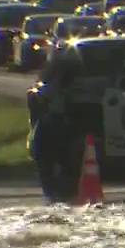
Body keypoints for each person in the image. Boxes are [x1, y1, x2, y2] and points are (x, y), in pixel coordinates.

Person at [31, 68, 79, 203]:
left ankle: (58, 190)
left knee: (57, 159)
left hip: (54, 126)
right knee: (51, 160)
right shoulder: (45, 93)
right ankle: (55, 191)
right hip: (51, 126)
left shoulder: (61, 93)